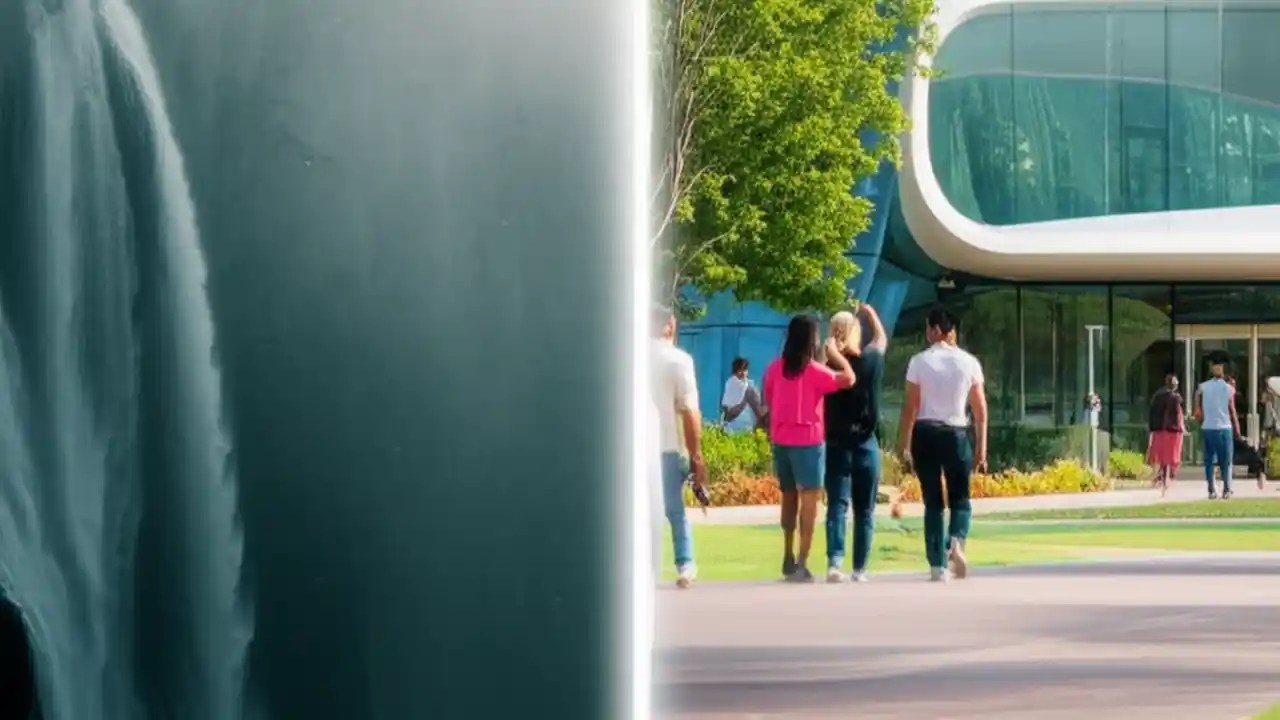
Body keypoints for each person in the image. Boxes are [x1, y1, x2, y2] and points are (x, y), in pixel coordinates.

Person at [762, 315, 856, 582]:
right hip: (809, 440)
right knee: (810, 501)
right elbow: (849, 378)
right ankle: (803, 559)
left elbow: (768, 396)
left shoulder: (774, 368)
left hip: (782, 438)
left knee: (788, 497)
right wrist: (836, 353)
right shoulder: (814, 370)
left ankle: (787, 551)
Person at [897, 308, 988, 583]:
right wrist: (982, 448)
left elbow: (911, 408)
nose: (927, 334)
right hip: (957, 431)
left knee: (933, 501)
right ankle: (956, 540)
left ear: (937, 330)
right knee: (960, 497)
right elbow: (980, 409)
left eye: (929, 328)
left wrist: (904, 445)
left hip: (926, 431)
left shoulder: (919, 361)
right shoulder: (969, 362)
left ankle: (937, 564)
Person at [823, 304, 888, 583]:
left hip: (837, 442)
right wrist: (871, 313)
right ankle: (859, 568)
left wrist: (830, 350)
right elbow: (880, 340)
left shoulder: (826, 369)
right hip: (865, 441)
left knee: (837, 505)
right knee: (865, 510)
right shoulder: (871, 360)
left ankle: (835, 562)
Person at [651, 304, 707, 588]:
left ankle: (644, 568)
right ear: (669, 325)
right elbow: (689, 411)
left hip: (637, 448)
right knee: (675, 509)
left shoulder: (626, 357)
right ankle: (684, 563)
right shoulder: (679, 360)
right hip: (668, 445)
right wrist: (697, 454)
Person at [1194, 354, 1240, 499]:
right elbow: (1232, 409)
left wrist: (1197, 408)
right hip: (1224, 427)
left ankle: (1211, 490)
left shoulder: (1203, 387)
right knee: (1225, 462)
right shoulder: (1228, 388)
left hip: (1208, 428)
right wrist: (1237, 428)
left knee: (1209, 462)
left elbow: (1197, 396)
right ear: (1222, 369)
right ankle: (1227, 489)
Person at [1147, 373, 1185, 497]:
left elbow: (1153, 413)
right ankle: (1168, 478)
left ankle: (1163, 478)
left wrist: (1152, 428)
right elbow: (1178, 416)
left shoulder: (1157, 397)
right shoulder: (1176, 398)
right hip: (1172, 430)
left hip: (1159, 430)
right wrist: (1182, 428)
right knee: (1173, 456)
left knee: (1163, 457)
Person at [1225, 376, 1267, 490]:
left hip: (1232, 435)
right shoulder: (1226, 401)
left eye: (1234, 385)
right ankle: (1258, 472)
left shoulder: (1234, 400)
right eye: (1231, 385)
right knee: (1250, 451)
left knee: (1251, 450)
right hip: (1228, 435)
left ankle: (1257, 472)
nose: (1233, 388)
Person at [720, 357, 763, 434]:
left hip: (746, 426)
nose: (743, 373)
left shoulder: (748, 385)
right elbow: (727, 409)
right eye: (740, 370)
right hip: (735, 426)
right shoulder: (731, 383)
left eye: (745, 370)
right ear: (735, 371)